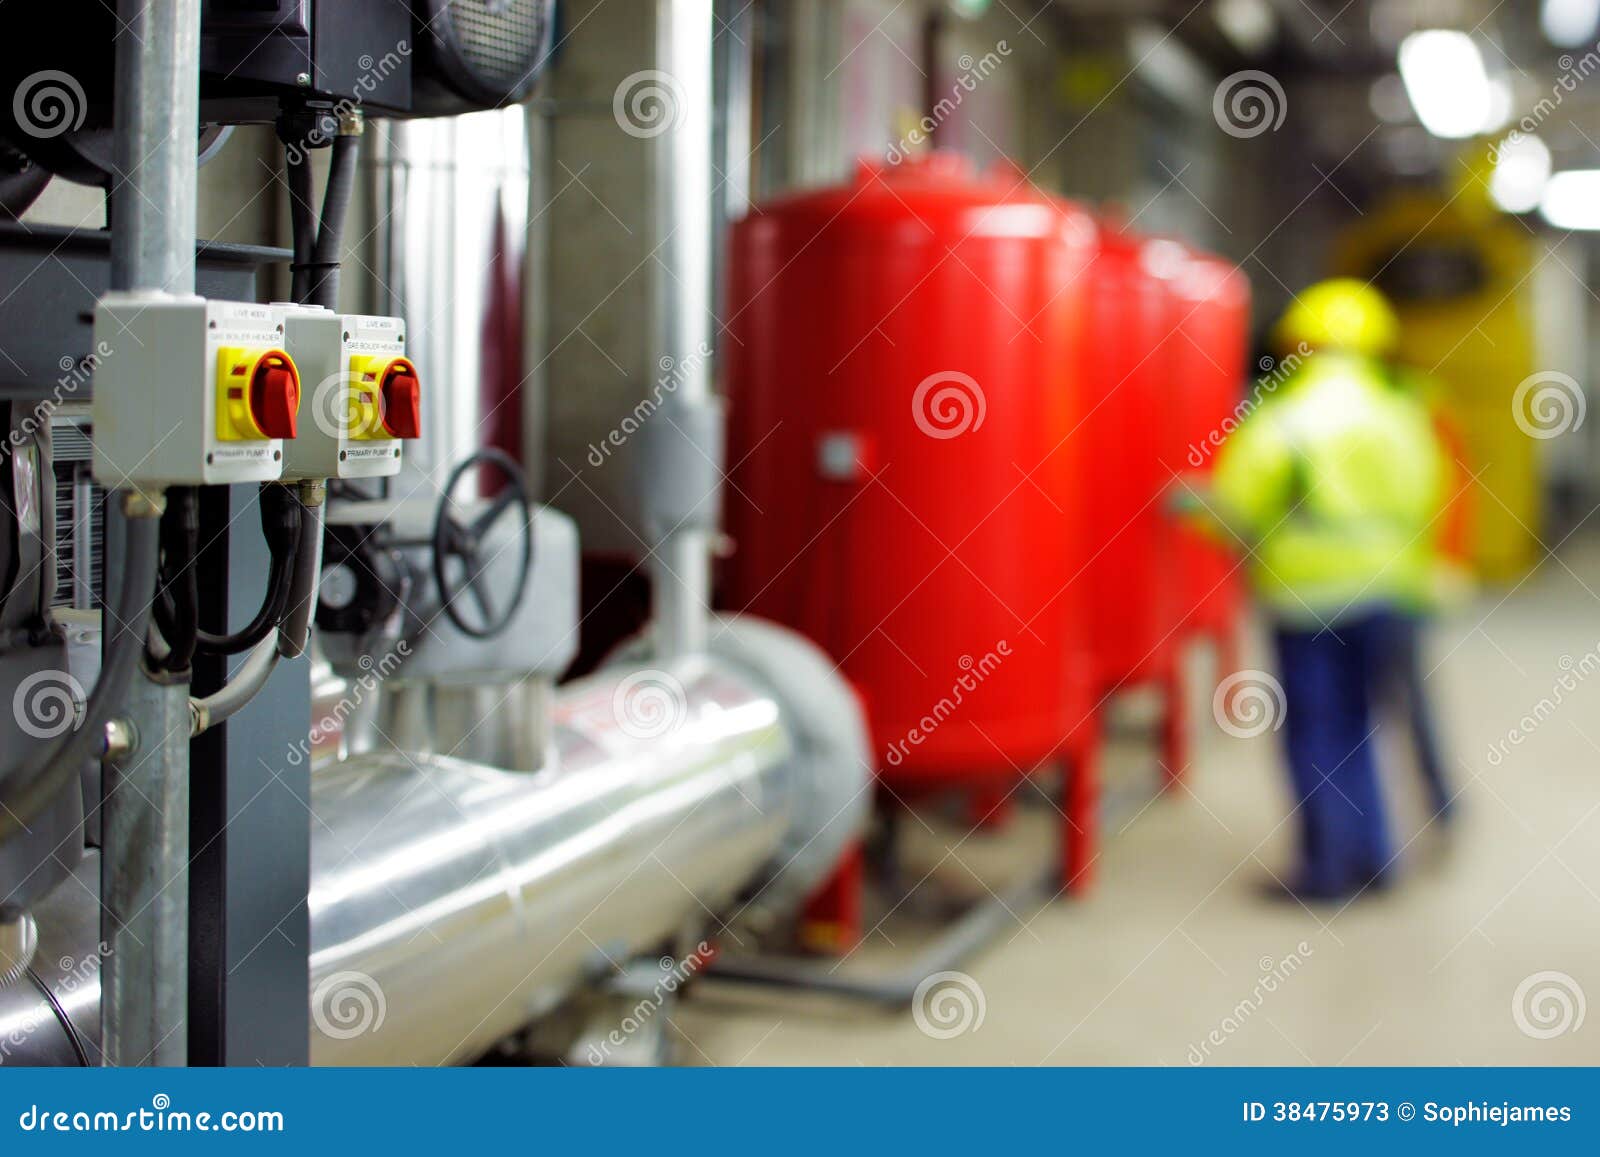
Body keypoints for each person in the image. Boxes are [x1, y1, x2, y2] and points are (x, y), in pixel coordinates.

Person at [1179, 279, 1445, 901]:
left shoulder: (1283, 417)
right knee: (1358, 725)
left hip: (1307, 599)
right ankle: (1374, 861)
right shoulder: (1402, 411)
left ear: (1301, 344)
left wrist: (1186, 507)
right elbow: (1429, 495)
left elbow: (1237, 506)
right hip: (1388, 595)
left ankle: (1326, 872)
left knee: (1315, 732)